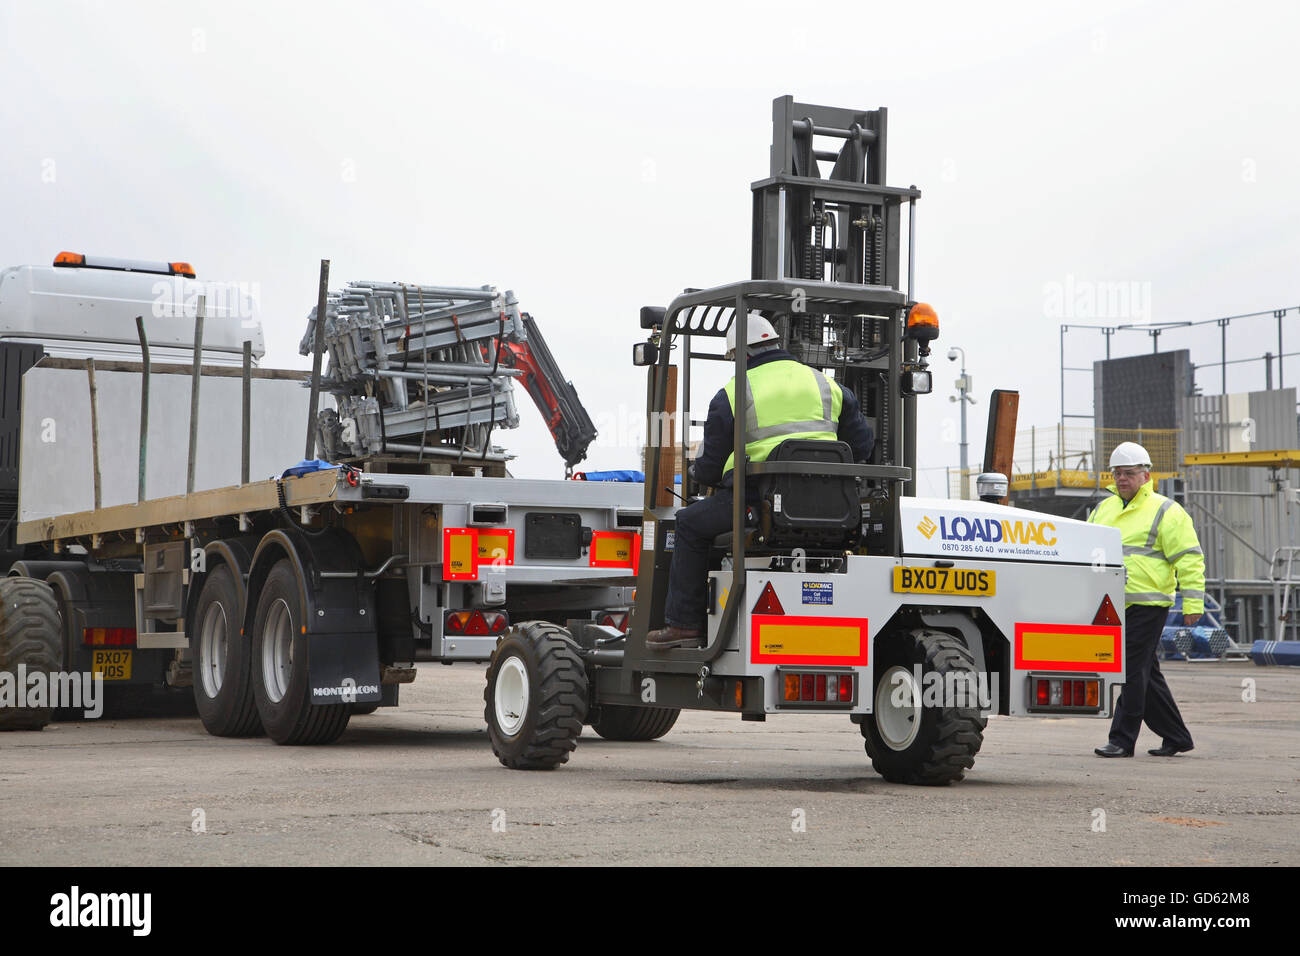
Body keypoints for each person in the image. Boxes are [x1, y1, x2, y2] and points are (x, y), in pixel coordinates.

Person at [646, 313, 875, 649]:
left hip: (757, 504)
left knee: (688, 524)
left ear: (741, 354)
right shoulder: (828, 386)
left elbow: (709, 470)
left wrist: (698, 472)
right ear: (774, 343)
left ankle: (683, 626)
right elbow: (862, 448)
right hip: (834, 510)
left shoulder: (733, 393)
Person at [1090, 441, 1202, 758]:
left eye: (1129, 473)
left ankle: (1122, 740)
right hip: (1112, 604)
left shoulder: (1166, 510)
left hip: (1149, 603)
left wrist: (1193, 605)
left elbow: (1190, 559)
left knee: (1128, 669)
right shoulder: (1103, 509)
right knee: (1146, 673)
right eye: (1117, 473)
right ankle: (1177, 736)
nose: (1122, 478)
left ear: (1145, 475)